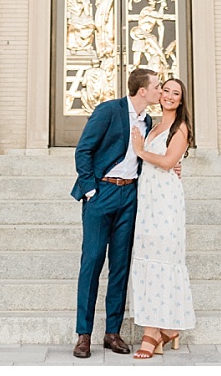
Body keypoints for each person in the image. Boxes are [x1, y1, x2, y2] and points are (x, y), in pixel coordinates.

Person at [71, 67, 160, 358]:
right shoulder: (109, 110)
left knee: (120, 266)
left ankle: (112, 333)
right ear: (142, 90)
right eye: (157, 86)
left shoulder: (147, 120)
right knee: (92, 262)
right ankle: (83, 335)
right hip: (102, 193)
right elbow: (83, 150)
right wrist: (90, 190)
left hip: (129, 195)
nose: (160, 91)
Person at [130, 76, 198, 358]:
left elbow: (169, 162)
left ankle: (152, 333)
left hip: (166, 202)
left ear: (181, 100)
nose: (169, 95)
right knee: (147, 259)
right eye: (166, 90)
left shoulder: (180, 127)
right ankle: (167, 329)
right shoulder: (153, 126)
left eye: (175, 93)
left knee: (161, 261)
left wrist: (141, 151)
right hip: (147, 200)